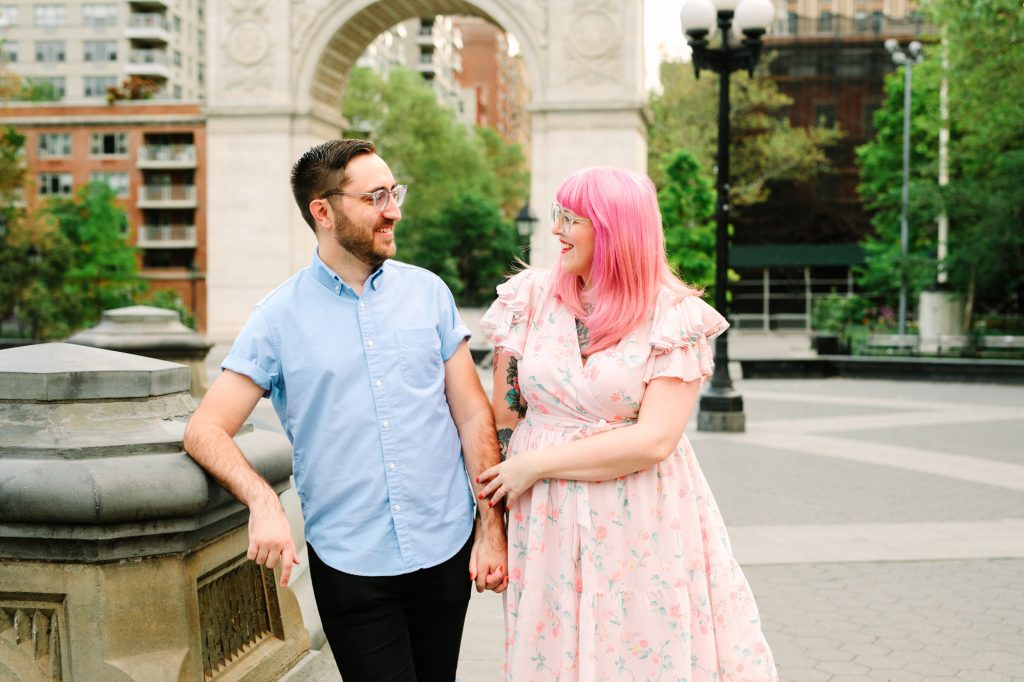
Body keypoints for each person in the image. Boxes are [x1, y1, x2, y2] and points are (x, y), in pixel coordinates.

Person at [183, 139, 507, 682]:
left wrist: (490, 527)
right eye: (376, 196)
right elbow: (206, 429)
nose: (394, 210)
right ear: (323, 211)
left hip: (446, 545)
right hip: (351, 561)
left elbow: (473, 415)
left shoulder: (430, 295)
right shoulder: (276, 317)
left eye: (394, 192)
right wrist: (263, 502)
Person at [477, 166, 777, 680]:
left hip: (640, 517)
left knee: (640, 652)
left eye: (571, 218)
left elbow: (655, 439)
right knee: (553, 656)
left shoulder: (673, 316)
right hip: (543, 520)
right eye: (558, 214)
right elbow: (503, 413)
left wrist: (537, 465)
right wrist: (493, 528)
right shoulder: (528, 296)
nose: (556, 230)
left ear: (614, 229)